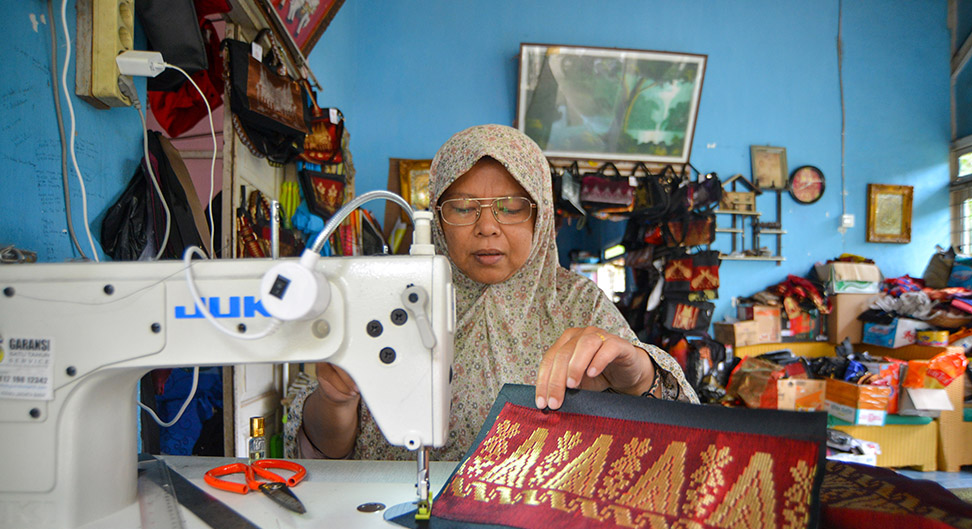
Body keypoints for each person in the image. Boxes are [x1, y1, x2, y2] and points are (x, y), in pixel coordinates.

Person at [289, 124, 697, 461]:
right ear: (438, 218)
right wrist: (336, 401)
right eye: (463, 208)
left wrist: (639, 374)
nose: (487, 226)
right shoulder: (392, 299)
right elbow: (327, 450)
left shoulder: (578, 304)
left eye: (512, 206)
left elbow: (676, 438)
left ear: (540, 215)